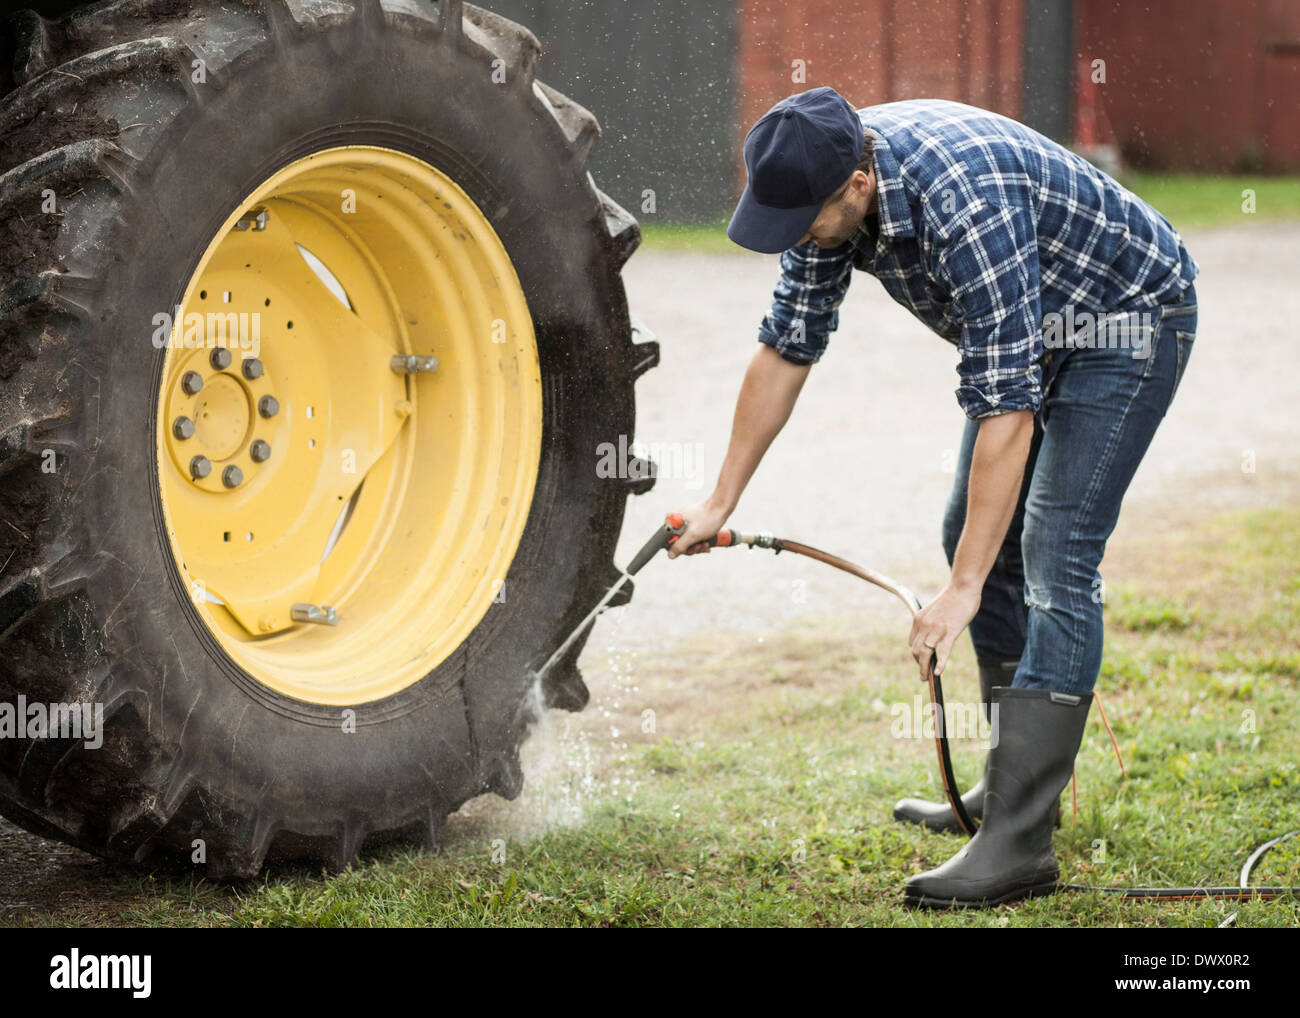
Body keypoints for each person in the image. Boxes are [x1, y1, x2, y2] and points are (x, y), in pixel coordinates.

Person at [667, 87, 1198, 908]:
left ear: (858, 186)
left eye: (804, 220)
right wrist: (719, 500)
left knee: (1054, 556)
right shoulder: (827, 189)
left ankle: (1021, 842)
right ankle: (1006, 790)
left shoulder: (964, 204)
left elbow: (1008, 406)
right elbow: (785, 348)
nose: (796, 239)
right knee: (968, 531)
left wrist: (963, 591)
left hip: (1124, 322)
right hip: (1040, 321)